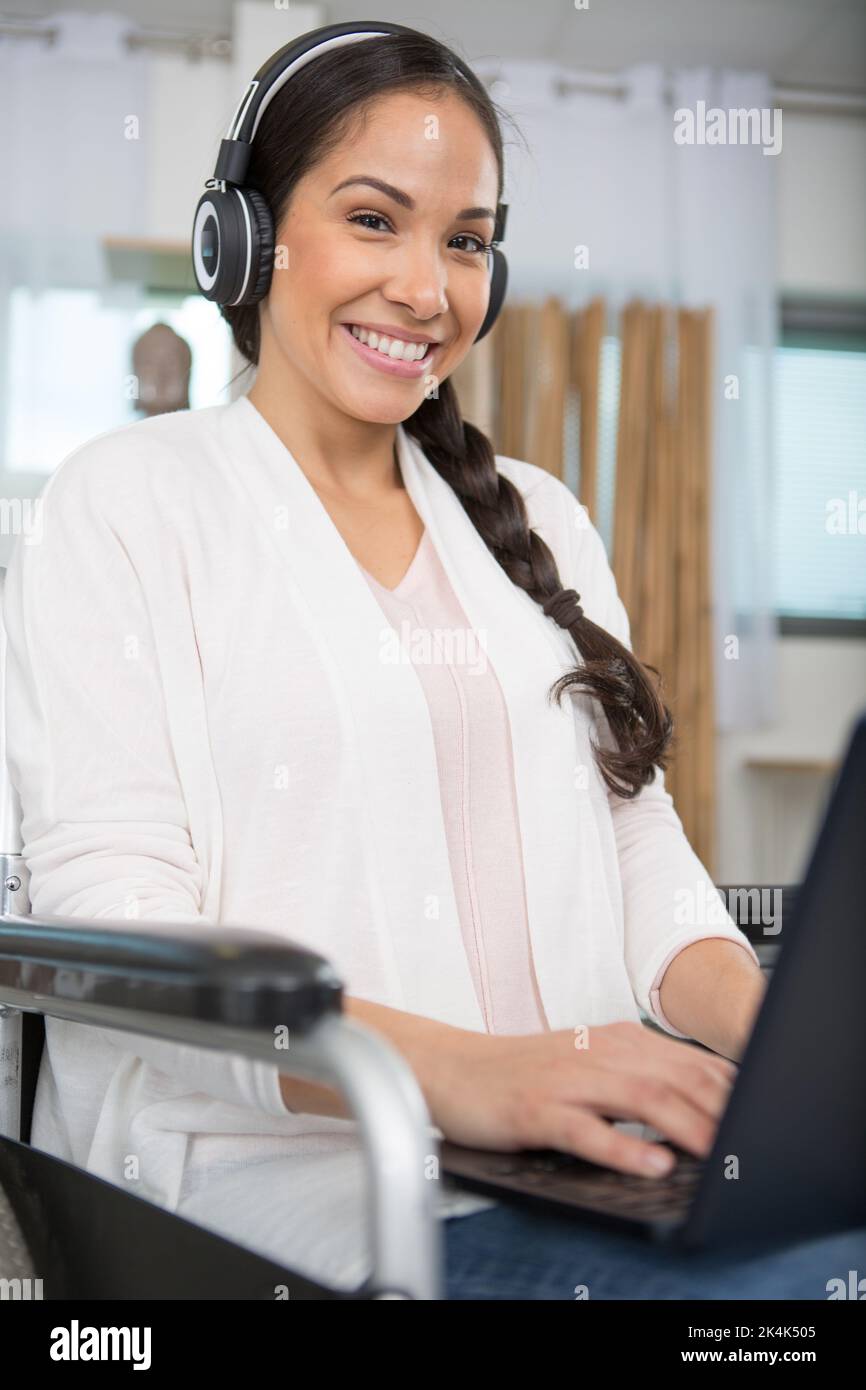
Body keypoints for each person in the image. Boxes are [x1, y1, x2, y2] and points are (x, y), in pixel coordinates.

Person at [4, 24, 863, 1301]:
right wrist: (466, 1070)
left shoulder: (540, 514)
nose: (425, 287)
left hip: (584, 1150)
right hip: (287, 1180)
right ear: (243, 238)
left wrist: (785, 1075)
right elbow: (116, 917)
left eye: (463, 240)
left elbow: (642, 862)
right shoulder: (127, 500)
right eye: (373, 219)